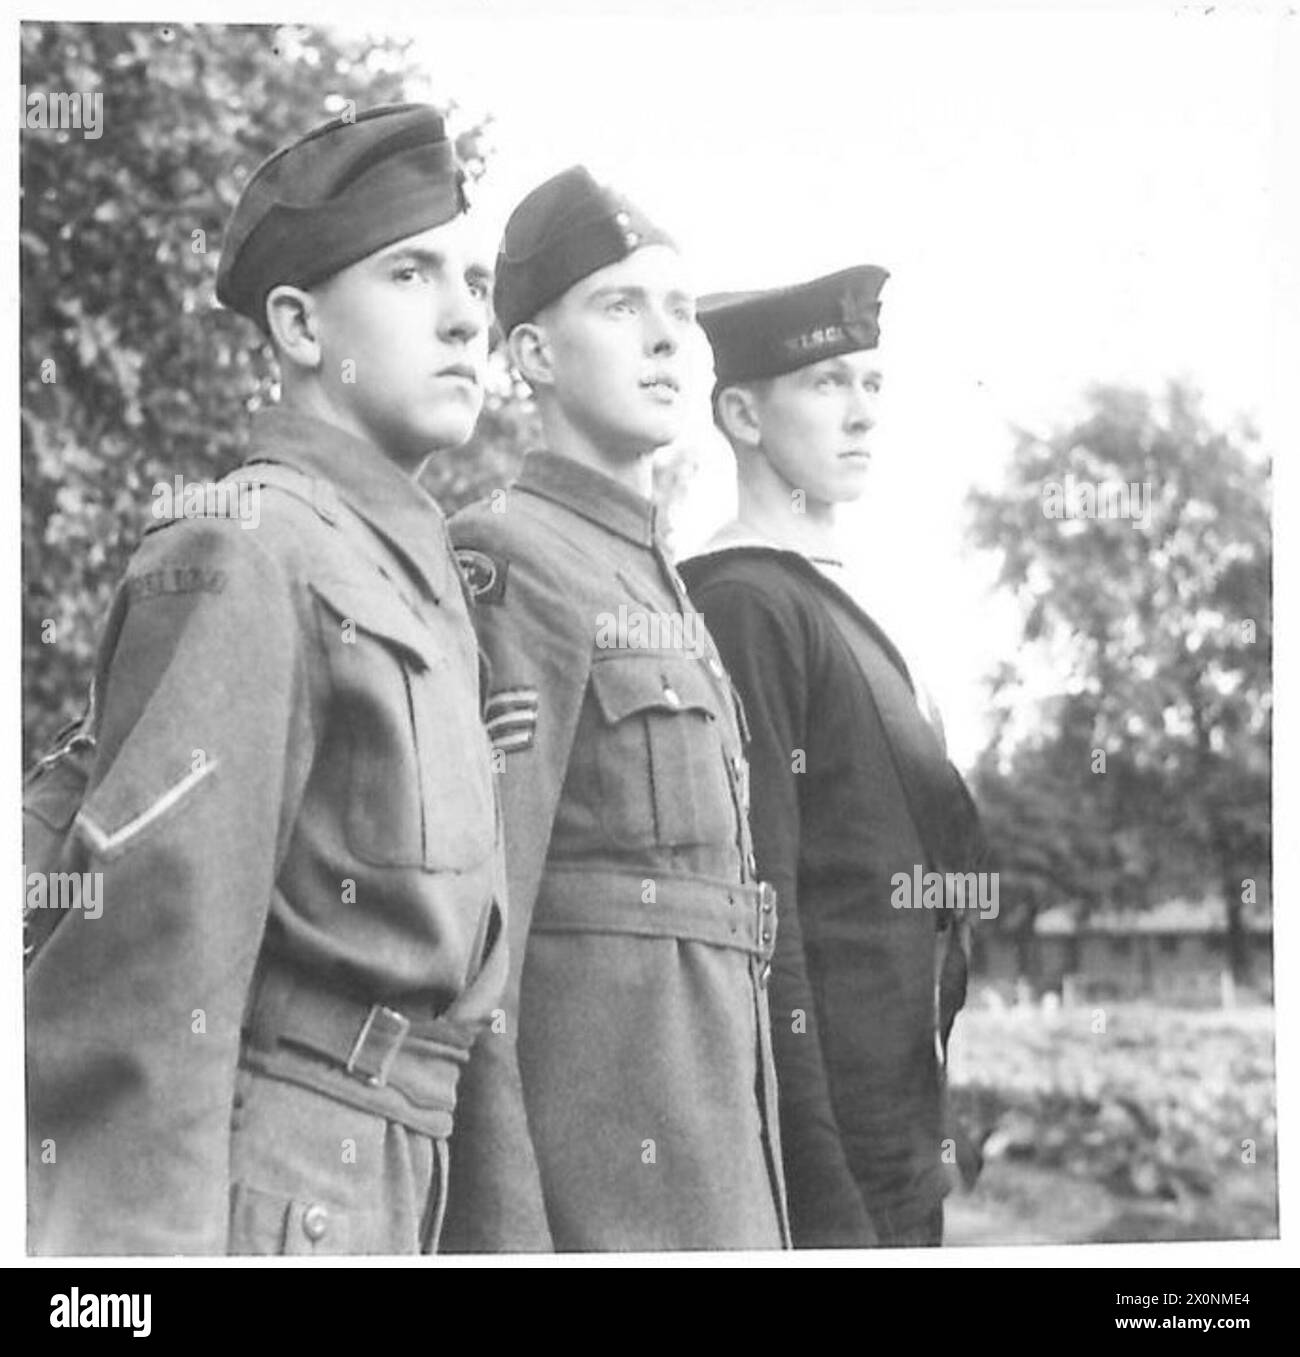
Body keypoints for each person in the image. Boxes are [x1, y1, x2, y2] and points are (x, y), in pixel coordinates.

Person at [25, 104, 507, 1255]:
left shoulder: (408, 568)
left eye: (478, 283)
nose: (463, 320)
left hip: (392, 1183)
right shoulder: (247, 550)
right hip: (280, 1202)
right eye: (409, 273)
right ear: (296, 323)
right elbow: (147, 991)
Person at [440, 166, 787, 1252]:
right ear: (533, 356)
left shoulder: (659, 580)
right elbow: (482, 939)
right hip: (601, 1195)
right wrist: (508, 1235)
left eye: (680, 312)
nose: (666, 340)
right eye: (620, 306)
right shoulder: (506, 556)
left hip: (713, 1160)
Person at [679, 267, 985, 1248]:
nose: (861, 415)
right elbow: (764, 919)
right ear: (740, 411)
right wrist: (818, 1185)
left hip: (898, 1125)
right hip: (830, 1147)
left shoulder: (833, 599)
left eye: (873, 384)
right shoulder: (745, 602)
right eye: (825, 385)